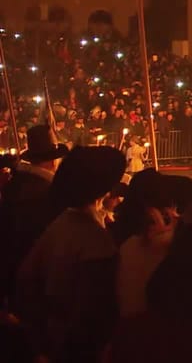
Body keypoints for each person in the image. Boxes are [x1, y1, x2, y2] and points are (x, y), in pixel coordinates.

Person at [15, 146, 126, 363]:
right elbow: (93, 317)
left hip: (50, 339)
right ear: (105, 188)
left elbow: (25, 282)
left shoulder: (60, 224)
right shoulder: (95, 242)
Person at [0, 124, 68, 303]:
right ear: (53, 162)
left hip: (11, 273)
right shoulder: (48, 193)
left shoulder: (15, 185)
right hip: (36, 278)